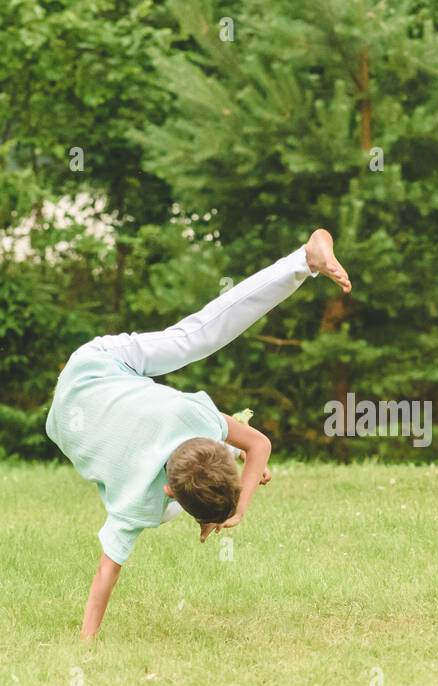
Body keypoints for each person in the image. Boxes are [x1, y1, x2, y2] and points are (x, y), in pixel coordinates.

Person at [46, 229, 351, 639]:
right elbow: (105, 572)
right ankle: (304, 260)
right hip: (71, 416)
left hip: (95, 367)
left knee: (195, 338)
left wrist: (240, 502)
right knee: (154, 510)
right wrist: (232, 498)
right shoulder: (139, 501)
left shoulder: (195, 418)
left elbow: (258, 444)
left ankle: (304, 259)